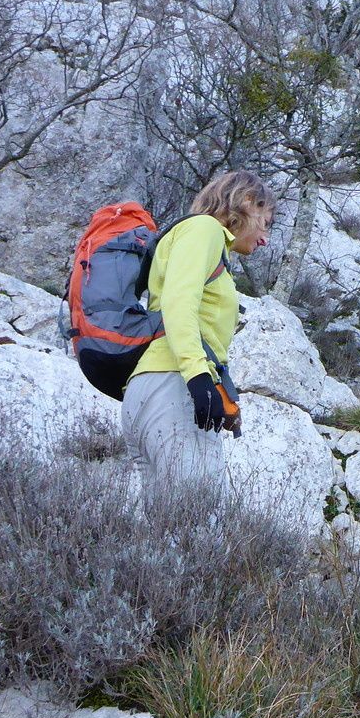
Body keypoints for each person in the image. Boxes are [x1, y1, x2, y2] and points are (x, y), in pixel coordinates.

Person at [122, 170, 275, 492]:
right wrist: (198, 377)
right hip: (173, 387)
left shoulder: (199, 240)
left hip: (152, 388)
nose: (265, 238)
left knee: (164, 531)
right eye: (266, 222)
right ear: (247, 202)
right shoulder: (204, 229)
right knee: (200, 521)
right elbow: (180, 301)